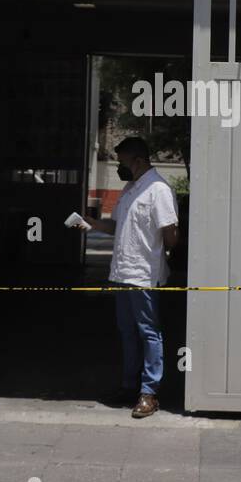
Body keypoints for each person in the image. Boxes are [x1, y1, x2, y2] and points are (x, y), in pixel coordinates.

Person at [71, 136, 179, 418]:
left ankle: (149, 392)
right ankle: (129, 386)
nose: (119, 168)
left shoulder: (159, 190)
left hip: (144, 275)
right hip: (121, 272)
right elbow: (115, 226)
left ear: (139, 161)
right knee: (127, 332)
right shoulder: (130, 188)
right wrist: (92, 224)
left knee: (148, 333)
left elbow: (171, 234)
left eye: (122, 162)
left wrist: (162, 256)